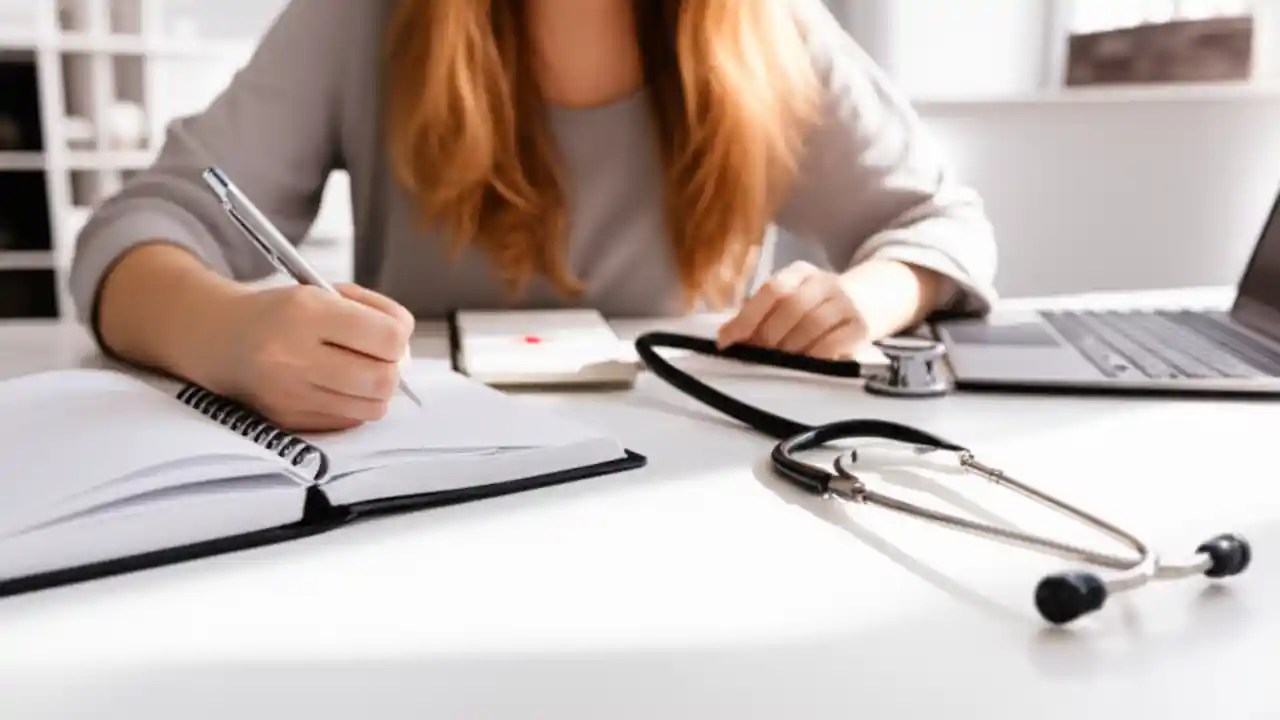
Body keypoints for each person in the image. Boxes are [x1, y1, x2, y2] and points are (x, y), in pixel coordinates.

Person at [71, 0, 997, 432]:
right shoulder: (360, 19)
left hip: (703, 471)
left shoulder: (773, 27)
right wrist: (231, 336)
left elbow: (939, 223)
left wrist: (870, 298)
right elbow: (140, 231)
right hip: (416, 471)